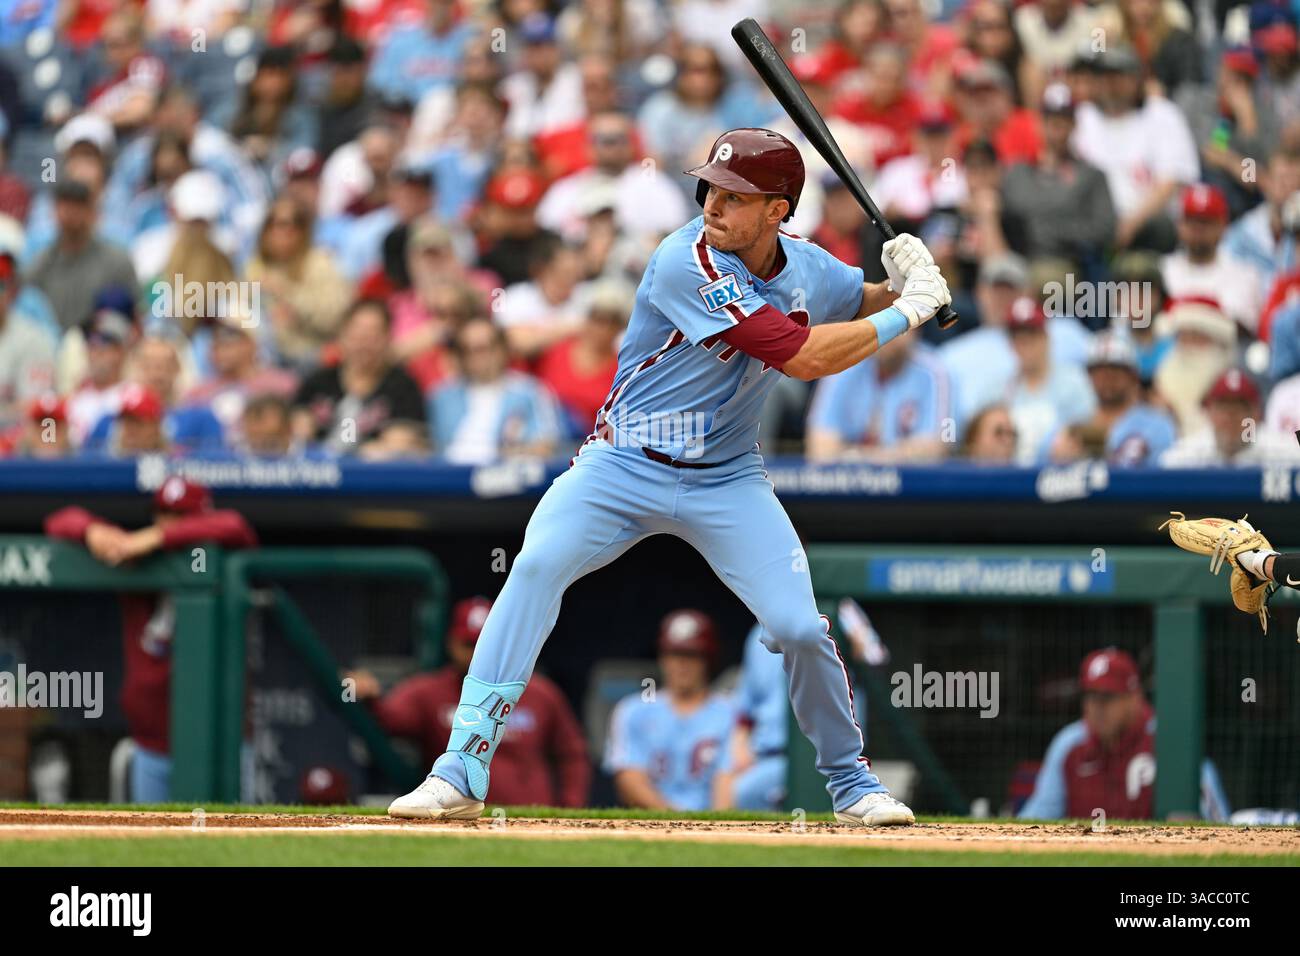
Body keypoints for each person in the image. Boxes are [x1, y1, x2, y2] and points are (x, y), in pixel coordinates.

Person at [388, 127, 953, 827]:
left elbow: (850, 300)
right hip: (622, 463)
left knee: (800, 629)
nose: (713, 203)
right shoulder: (684, 260)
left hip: (726, 477)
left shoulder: (807, 267)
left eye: (736, 194)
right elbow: (802, 356)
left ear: (779, 210)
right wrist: (911, 309)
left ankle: (851, 784)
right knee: (533, 569)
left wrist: (895, 283)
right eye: (711, 187)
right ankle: (460, 770)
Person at [44, 477, 258, 802]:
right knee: (155, 845)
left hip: (220, 745)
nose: (168, 522)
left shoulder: (223, 552)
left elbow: (235, 525)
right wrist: (95, 533)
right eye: (162, 514)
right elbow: (59, 520)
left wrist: (156, 537)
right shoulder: (136, 559)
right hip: (152, 745)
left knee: (231, 845)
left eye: (180, 515)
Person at [348, 597, 591, 808]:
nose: (478, 653)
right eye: (469, 644)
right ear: (451, 643)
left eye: (485, 643)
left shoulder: (540, 692)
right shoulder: (429, 691)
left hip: (532, 813)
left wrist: (570, 806)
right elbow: (392, 720)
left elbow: (572, 752)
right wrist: (371, 698)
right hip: (462, 815)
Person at [1018, 648, 1229, 821]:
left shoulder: (1168, 740)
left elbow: (1218, 822)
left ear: (1134, 698)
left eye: (1108, 697)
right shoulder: (1069, 743)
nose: (1098, 708)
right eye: (1091, 697)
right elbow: (1038, 817)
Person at [603, 609, 737, 811]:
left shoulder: (731, 711)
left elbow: (730, 779)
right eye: (674, 654)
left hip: (713, 823)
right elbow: (628, 779)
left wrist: (714, 829)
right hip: (653, 825)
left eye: (692, 655)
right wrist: (678, 823)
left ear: (708, 659)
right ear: (662, 657)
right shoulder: (633, 710)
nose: (682, 663)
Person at [292, 298, 427, 459]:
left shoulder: (403, 386)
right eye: (357, 335)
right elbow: (296, 431)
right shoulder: (318, 382)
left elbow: (400, 443)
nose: (363, 344)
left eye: (373, 336)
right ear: (341, 337)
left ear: (388, 339)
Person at [427, 317, 562, 464]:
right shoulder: (441, 396)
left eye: (483, 348)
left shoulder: (531, 392)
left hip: (508, 479)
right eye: (467, 350)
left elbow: (546, 445)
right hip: (446, 479)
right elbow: (425, 447)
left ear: (502, 349)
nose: (476, 357)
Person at [806, 333, 955, 462]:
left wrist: (859, 457)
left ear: (916, 328)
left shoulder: (936, 371)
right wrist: (888, 457)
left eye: (898, 324)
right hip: (850, 487)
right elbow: (819, 448)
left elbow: (941, 444)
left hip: (915, 488)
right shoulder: (842, 365)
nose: (887, 334)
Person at [1004, 296, 1097, 464]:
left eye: (1032, 335)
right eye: (1018, 337)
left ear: (1046, 337)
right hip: (1012, 479)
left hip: (1062, 477)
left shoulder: (1073, 383)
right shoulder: (1002, 389)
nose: (1025, 344)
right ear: (1011, 344)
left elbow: (1089, 434)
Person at [1160, 184, 1263, 335]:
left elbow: (1242, 333)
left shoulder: (1245, 275)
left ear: (1223, 225)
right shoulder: (1162, 270)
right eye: (1191, 220)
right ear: (1179, 224)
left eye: (1206, 221)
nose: (1198, 229)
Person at [1161, 368, 1300, 467]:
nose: (1230, 418)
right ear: (1209, 413)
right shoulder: (1189, 453)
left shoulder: (1283, 452)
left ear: (1256, 415)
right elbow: (1166, 467)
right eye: (1223, 409)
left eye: (1239, 410)